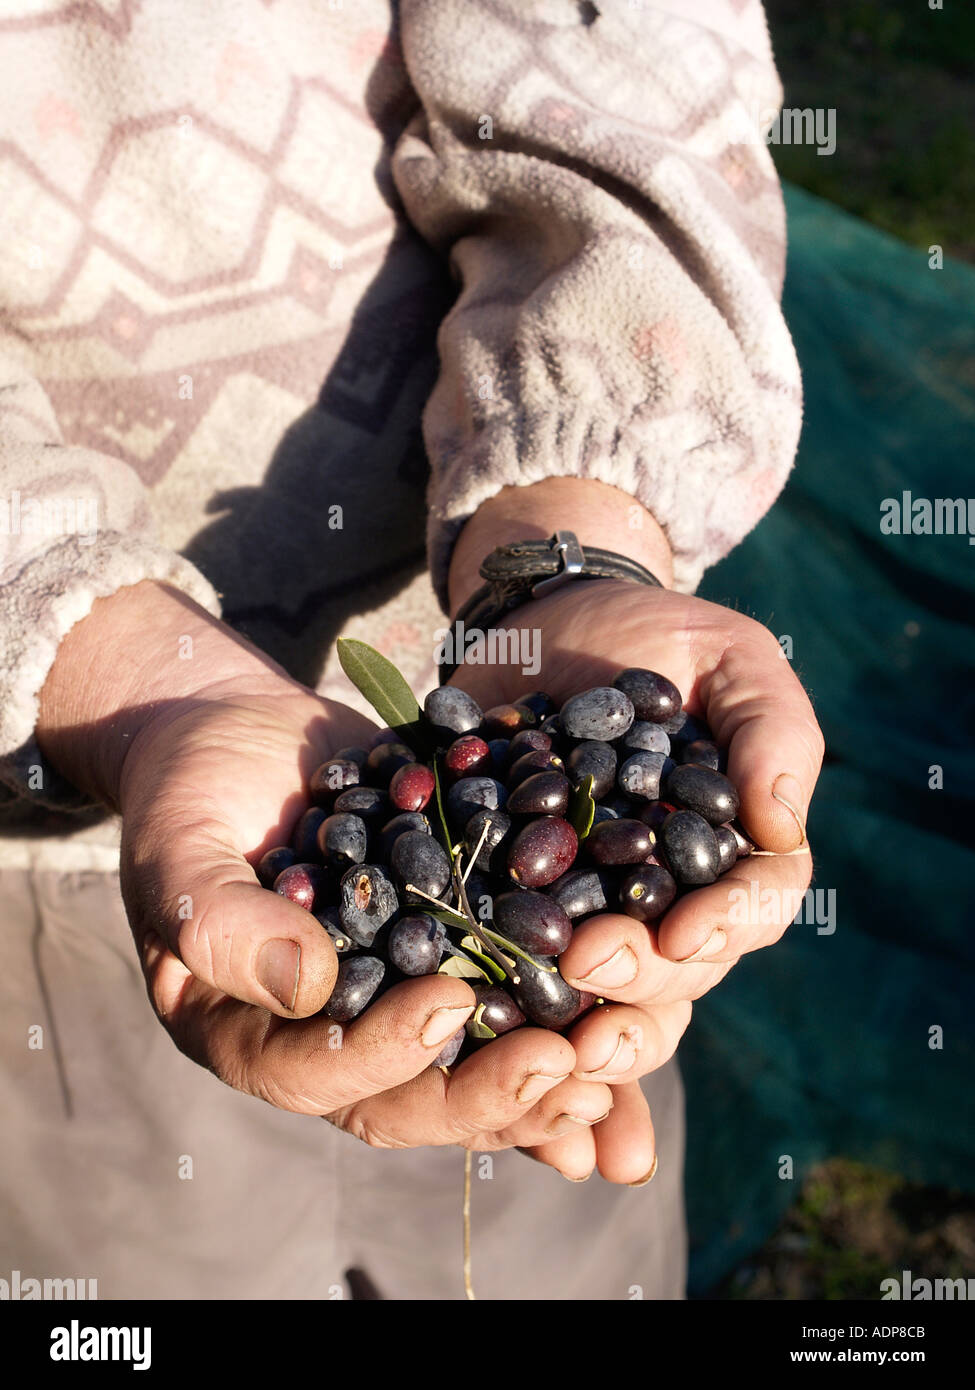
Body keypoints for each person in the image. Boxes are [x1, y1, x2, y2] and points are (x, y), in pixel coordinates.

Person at [0, 0, 822, 1299]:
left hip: (483, 672)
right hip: (51, 832)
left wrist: (572, 539)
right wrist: (100, 663)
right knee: (144, 1258)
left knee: (549, 1163)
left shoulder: (544, 817)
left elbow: (621, 64)